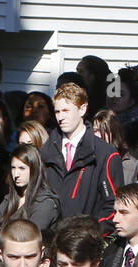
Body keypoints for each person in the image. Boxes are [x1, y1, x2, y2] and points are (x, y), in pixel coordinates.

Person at [41, 83, 124, 230]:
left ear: (82, 109)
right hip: (48, 239)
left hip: (85, 242)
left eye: (66, 110)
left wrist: (87, 233)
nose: (61, 117)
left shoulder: (104, 153)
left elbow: (113, 204)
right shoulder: (45, 152)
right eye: (57, 111)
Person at [0, 142, 61, 238]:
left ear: (34, 169)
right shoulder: (9, 200)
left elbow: (25, 241)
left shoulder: (45, 203)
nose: (16, 174)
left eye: (22, 168)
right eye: (13, 168)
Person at [91, 109, 138, 188]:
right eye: (95, 130)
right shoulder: (88, 159)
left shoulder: (128, 163)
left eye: (104, 131)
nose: (99, 135)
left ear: (114, 133)